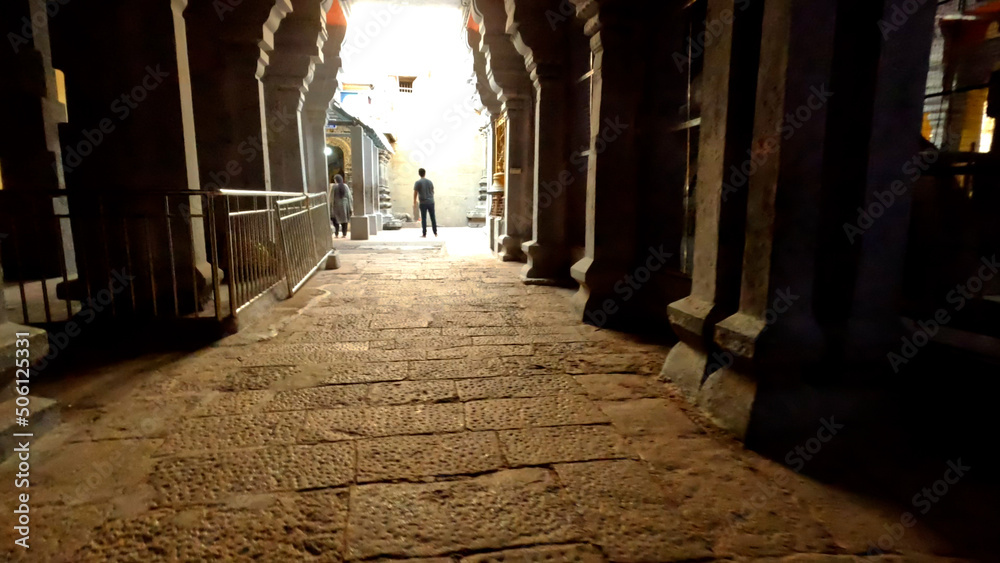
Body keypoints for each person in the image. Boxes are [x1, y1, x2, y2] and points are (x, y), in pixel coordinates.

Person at [413, 168, 437, 238]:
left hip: (423, 203)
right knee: (433, 217)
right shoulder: (430, 182)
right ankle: (435, 233)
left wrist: (414, 201)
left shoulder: (418, 182)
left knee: (423, 218)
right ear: (425, 173)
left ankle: (424, 234)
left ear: (419, 174)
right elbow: (433, 191)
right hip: (431, 202)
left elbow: (415, 192)